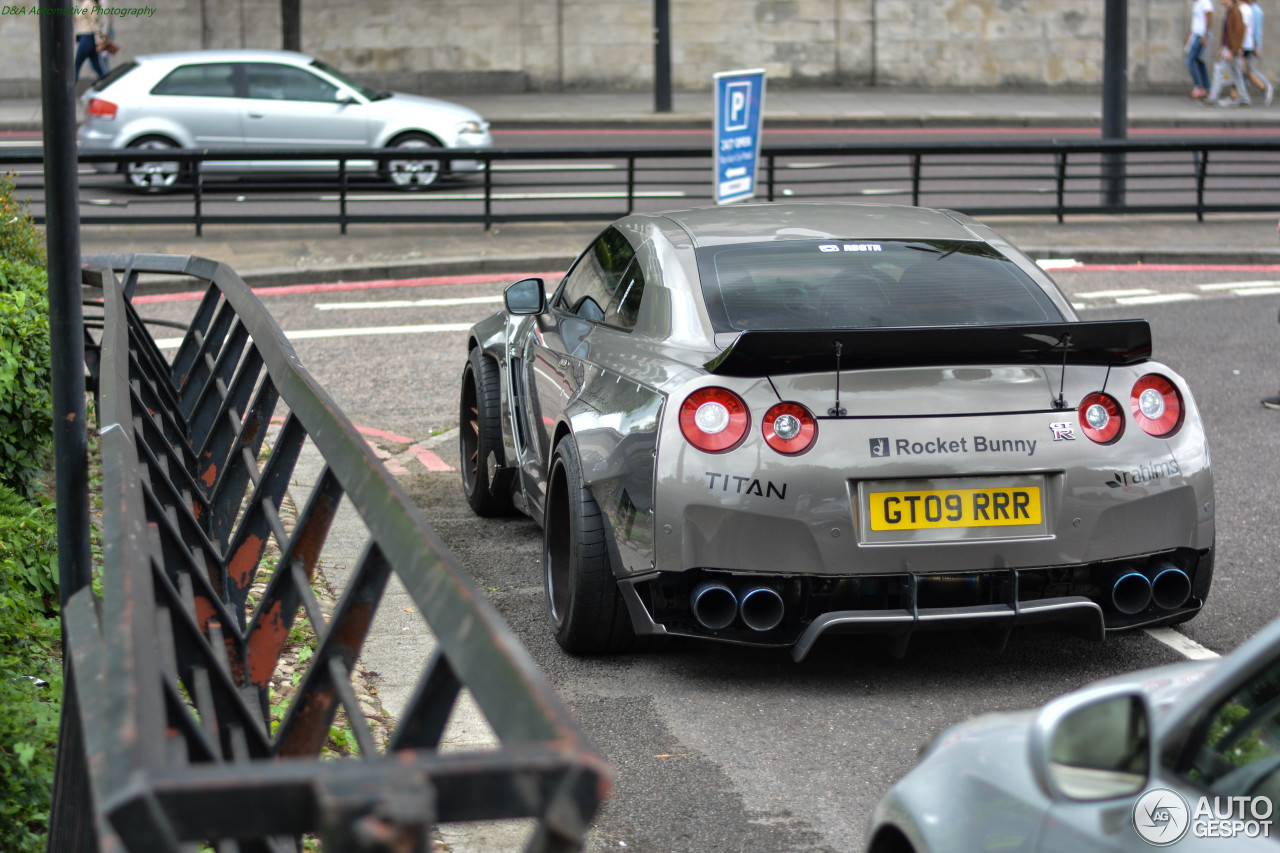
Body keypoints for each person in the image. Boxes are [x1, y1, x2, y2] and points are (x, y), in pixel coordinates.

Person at [1212, 0, 1252, 106]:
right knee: (1236, 74)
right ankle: (1244, 99)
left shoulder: (1235, 12)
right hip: (1228, 48)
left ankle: (1212, 98)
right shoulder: (1229, 12)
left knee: (1219, 71)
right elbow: (1226, 33)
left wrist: (1233, 51)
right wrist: (1222, 48)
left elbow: (1239, 32)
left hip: (1231, 50)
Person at [1240, 0, 1274, 105]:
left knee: (1249, 70)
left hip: (1251, 45)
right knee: (1245, 70)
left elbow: (1256, 30)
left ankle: (1265, 86)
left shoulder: (1255, 11)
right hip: (1250, 44)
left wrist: (1255, 46)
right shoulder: (1252, 9)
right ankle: (1244, 93)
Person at [72, 0, 107, 82]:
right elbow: (80, 20)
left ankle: (69, 88)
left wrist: (100, 41)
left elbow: (95, 23)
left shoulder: (89, 3)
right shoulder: (85, 4)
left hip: (87, 37)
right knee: (97, 66)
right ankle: (106, 83)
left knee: (77, 64)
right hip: (85, 37)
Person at [1188, 0, 1216, 99]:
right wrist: (1188, 36)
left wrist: (1206, 34)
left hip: (1200, 36)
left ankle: (1199, 86)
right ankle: (1207, 87)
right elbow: (1194, 21)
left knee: (1190, 61)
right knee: (1200, 61)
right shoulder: (1196, 4)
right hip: (1195, 35)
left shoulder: (1205, 2)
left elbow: (1209, 18)